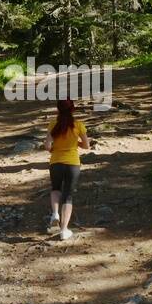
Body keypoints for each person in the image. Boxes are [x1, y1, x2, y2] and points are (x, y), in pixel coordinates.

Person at [44, 99, 90, 240]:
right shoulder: (78, 125)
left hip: (56, 162)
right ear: (73, 110)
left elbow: (47, 145)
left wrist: (54, 149)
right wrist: (75, 142)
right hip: (72, 164)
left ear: (58, 110)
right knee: (68, 196)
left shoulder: (53, 124)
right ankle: (64, 230)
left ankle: (55, 214)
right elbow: (87, 146)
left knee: (56, 189)